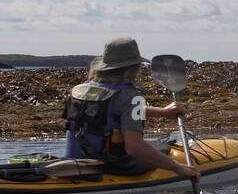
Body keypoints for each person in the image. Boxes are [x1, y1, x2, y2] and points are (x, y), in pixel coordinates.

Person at [62, 37, 200, 184]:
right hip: (112, 166)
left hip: (75, 160)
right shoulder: (130, 96)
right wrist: (178, 168)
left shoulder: (82, 89)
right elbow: (134, 148)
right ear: (130, 70)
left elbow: (115, 111)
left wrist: (162, 112)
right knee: (163, 148)